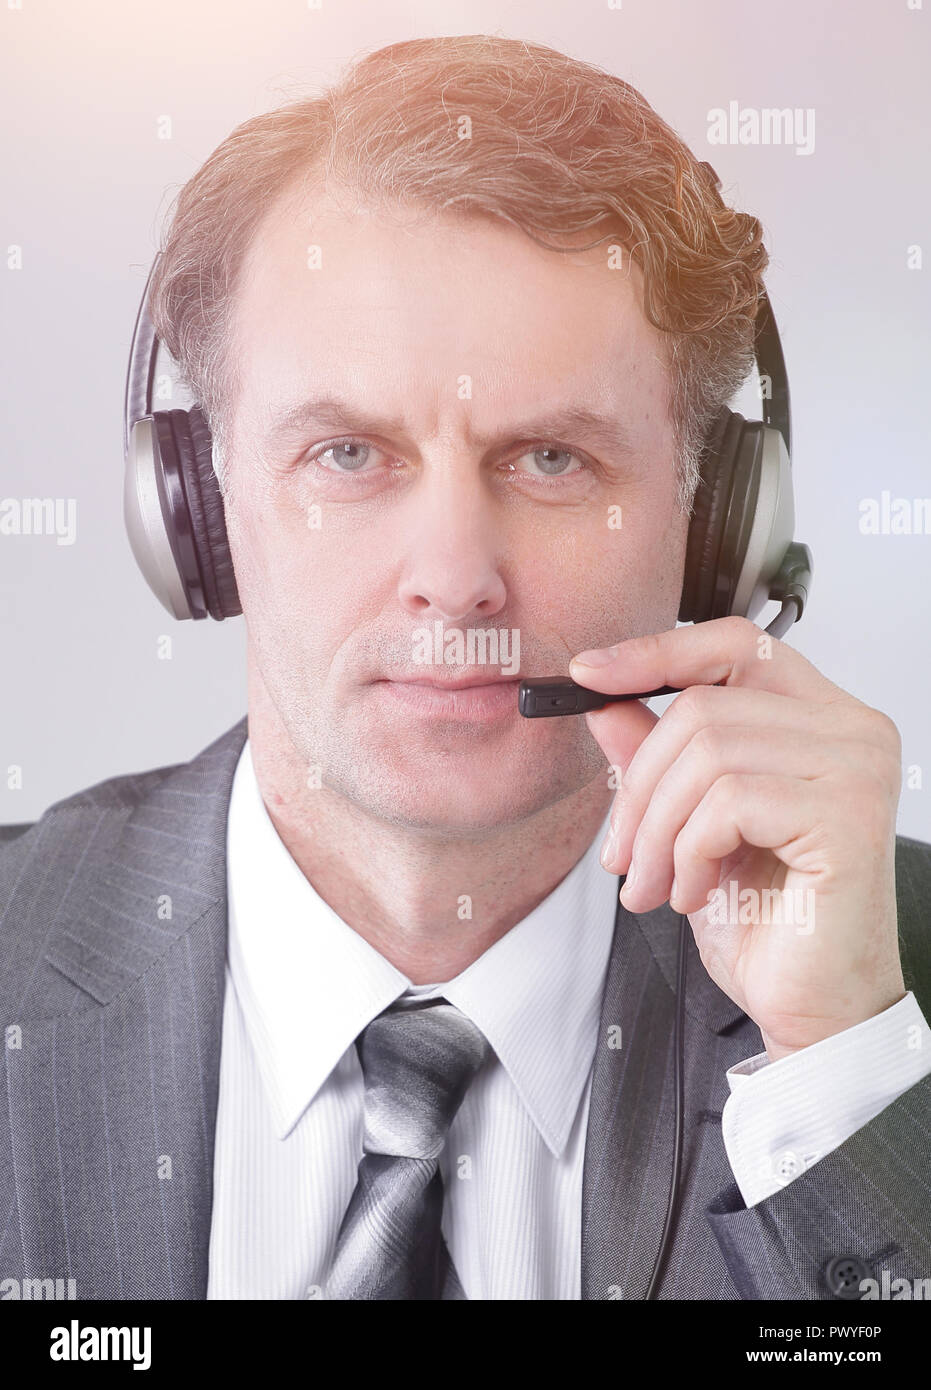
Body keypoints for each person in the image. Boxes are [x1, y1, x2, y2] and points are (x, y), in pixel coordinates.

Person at [1, 34, 929, 1302]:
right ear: (197, 508)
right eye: (346, 453)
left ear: (715, 526)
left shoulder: (885, 1006)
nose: (455, 574)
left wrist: (841, 1070)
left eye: (552, 458)